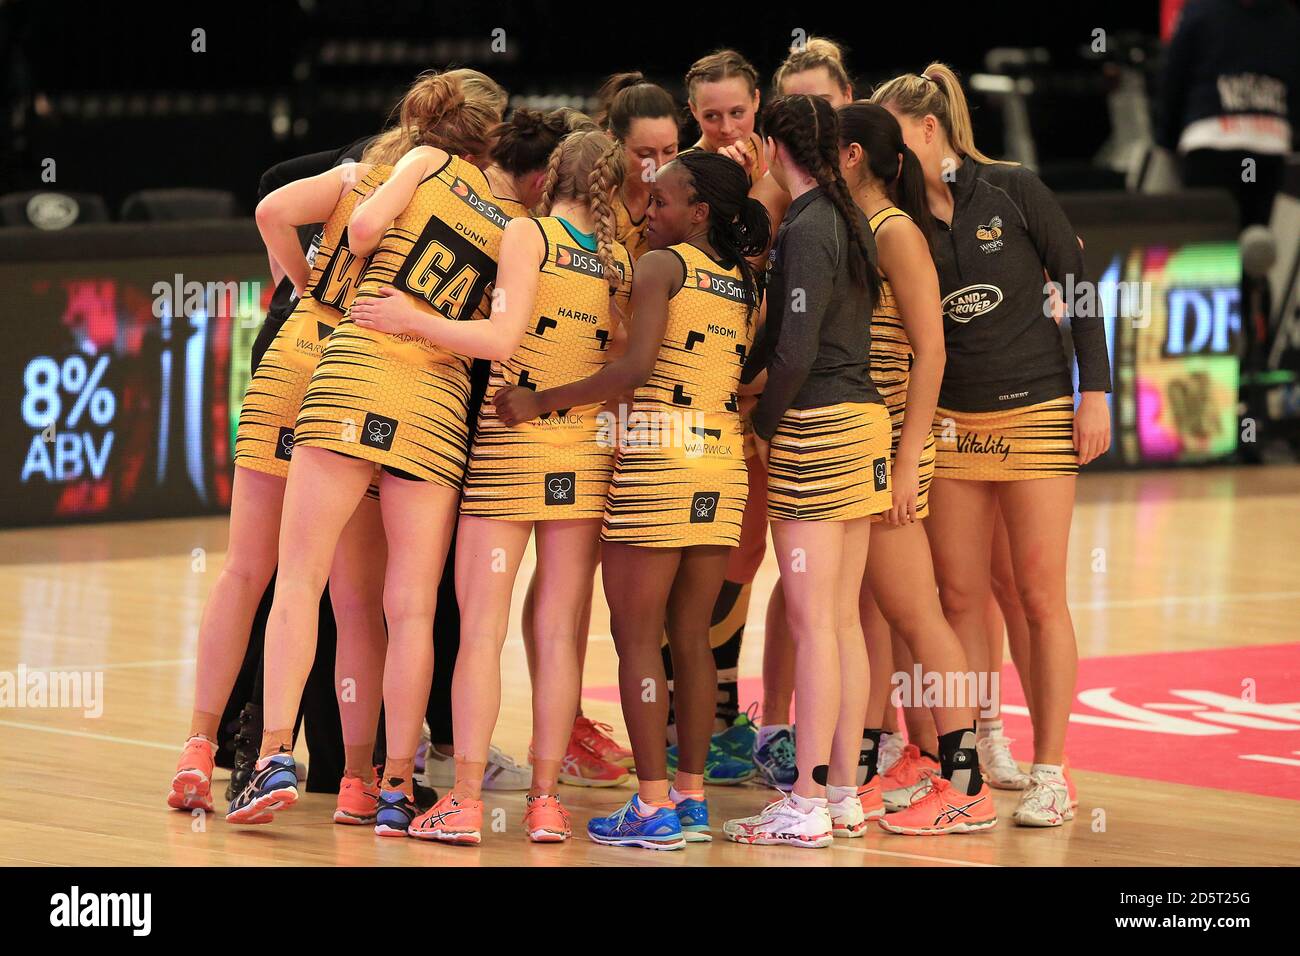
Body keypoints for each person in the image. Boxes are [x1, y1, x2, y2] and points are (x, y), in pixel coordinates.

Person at [167, 69, 467, 823]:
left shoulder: (354, 175)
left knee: (247, 571)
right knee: (355, 598)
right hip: (364, 375)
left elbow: (271, 207)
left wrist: (303, 284)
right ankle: (362, 779)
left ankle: (204, 753)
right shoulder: (467, 205)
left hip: (297, 351)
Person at [226, 69, 510, 835]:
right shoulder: (513, 217)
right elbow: (504, 333)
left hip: (357, 372)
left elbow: (357, 231)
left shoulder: (417, 163)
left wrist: (319, 281)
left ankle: (275, 755)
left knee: (304, 580)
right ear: (494, 133)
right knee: (410, 610)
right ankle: (387, 784)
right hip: (437, 402)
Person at [352, 129, 632, 844]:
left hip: (512, 444)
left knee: (481, 628)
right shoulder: (618, 259)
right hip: (586, 457)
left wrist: (413, 318)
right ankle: (545, 802)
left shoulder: (527, 234)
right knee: (560, 633)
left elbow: (502, 339)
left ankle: (468, 798)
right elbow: (621, 367)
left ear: (549, 178)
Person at [498, 150, 768, 849]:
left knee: (636, 639)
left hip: (659, 460)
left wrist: (540, 400)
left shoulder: (661, 266)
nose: (650, 212)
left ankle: (651, 809)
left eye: (664, 201)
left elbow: (634, 367)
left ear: (700, 211)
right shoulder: (741, 276)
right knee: (692, 640)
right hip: (722, 463)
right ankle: (693, 799)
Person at [872, 63, 1111, 826]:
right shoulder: (899, 214)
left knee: (1040, 593)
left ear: (930, 128)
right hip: (950, 423)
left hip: (1037, 409)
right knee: (961, 598)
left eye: (894, 136)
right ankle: (971, 752)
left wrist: (1095, 391)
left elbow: (1077, 283)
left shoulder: (1011, 186)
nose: (885, 151)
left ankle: (1053, 771)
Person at [723, 94, 893, 847]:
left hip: (819, 428)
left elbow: (792, 352)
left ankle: (806, 802)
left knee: (813, 620)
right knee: (842, 621)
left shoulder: (808, 222)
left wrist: (759, 422)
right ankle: (844, 792)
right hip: (863, 424)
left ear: (768, 145)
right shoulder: (843, 215)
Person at [835, 102, 995, 834]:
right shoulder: (858, 226)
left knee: (918, 614)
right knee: (874, 615)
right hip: (862, 446)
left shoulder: (895, 231)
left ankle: (965, 781)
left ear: (854, 157)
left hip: (890, 449)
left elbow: (932, 350)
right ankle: (864, 769)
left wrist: (905, 462)